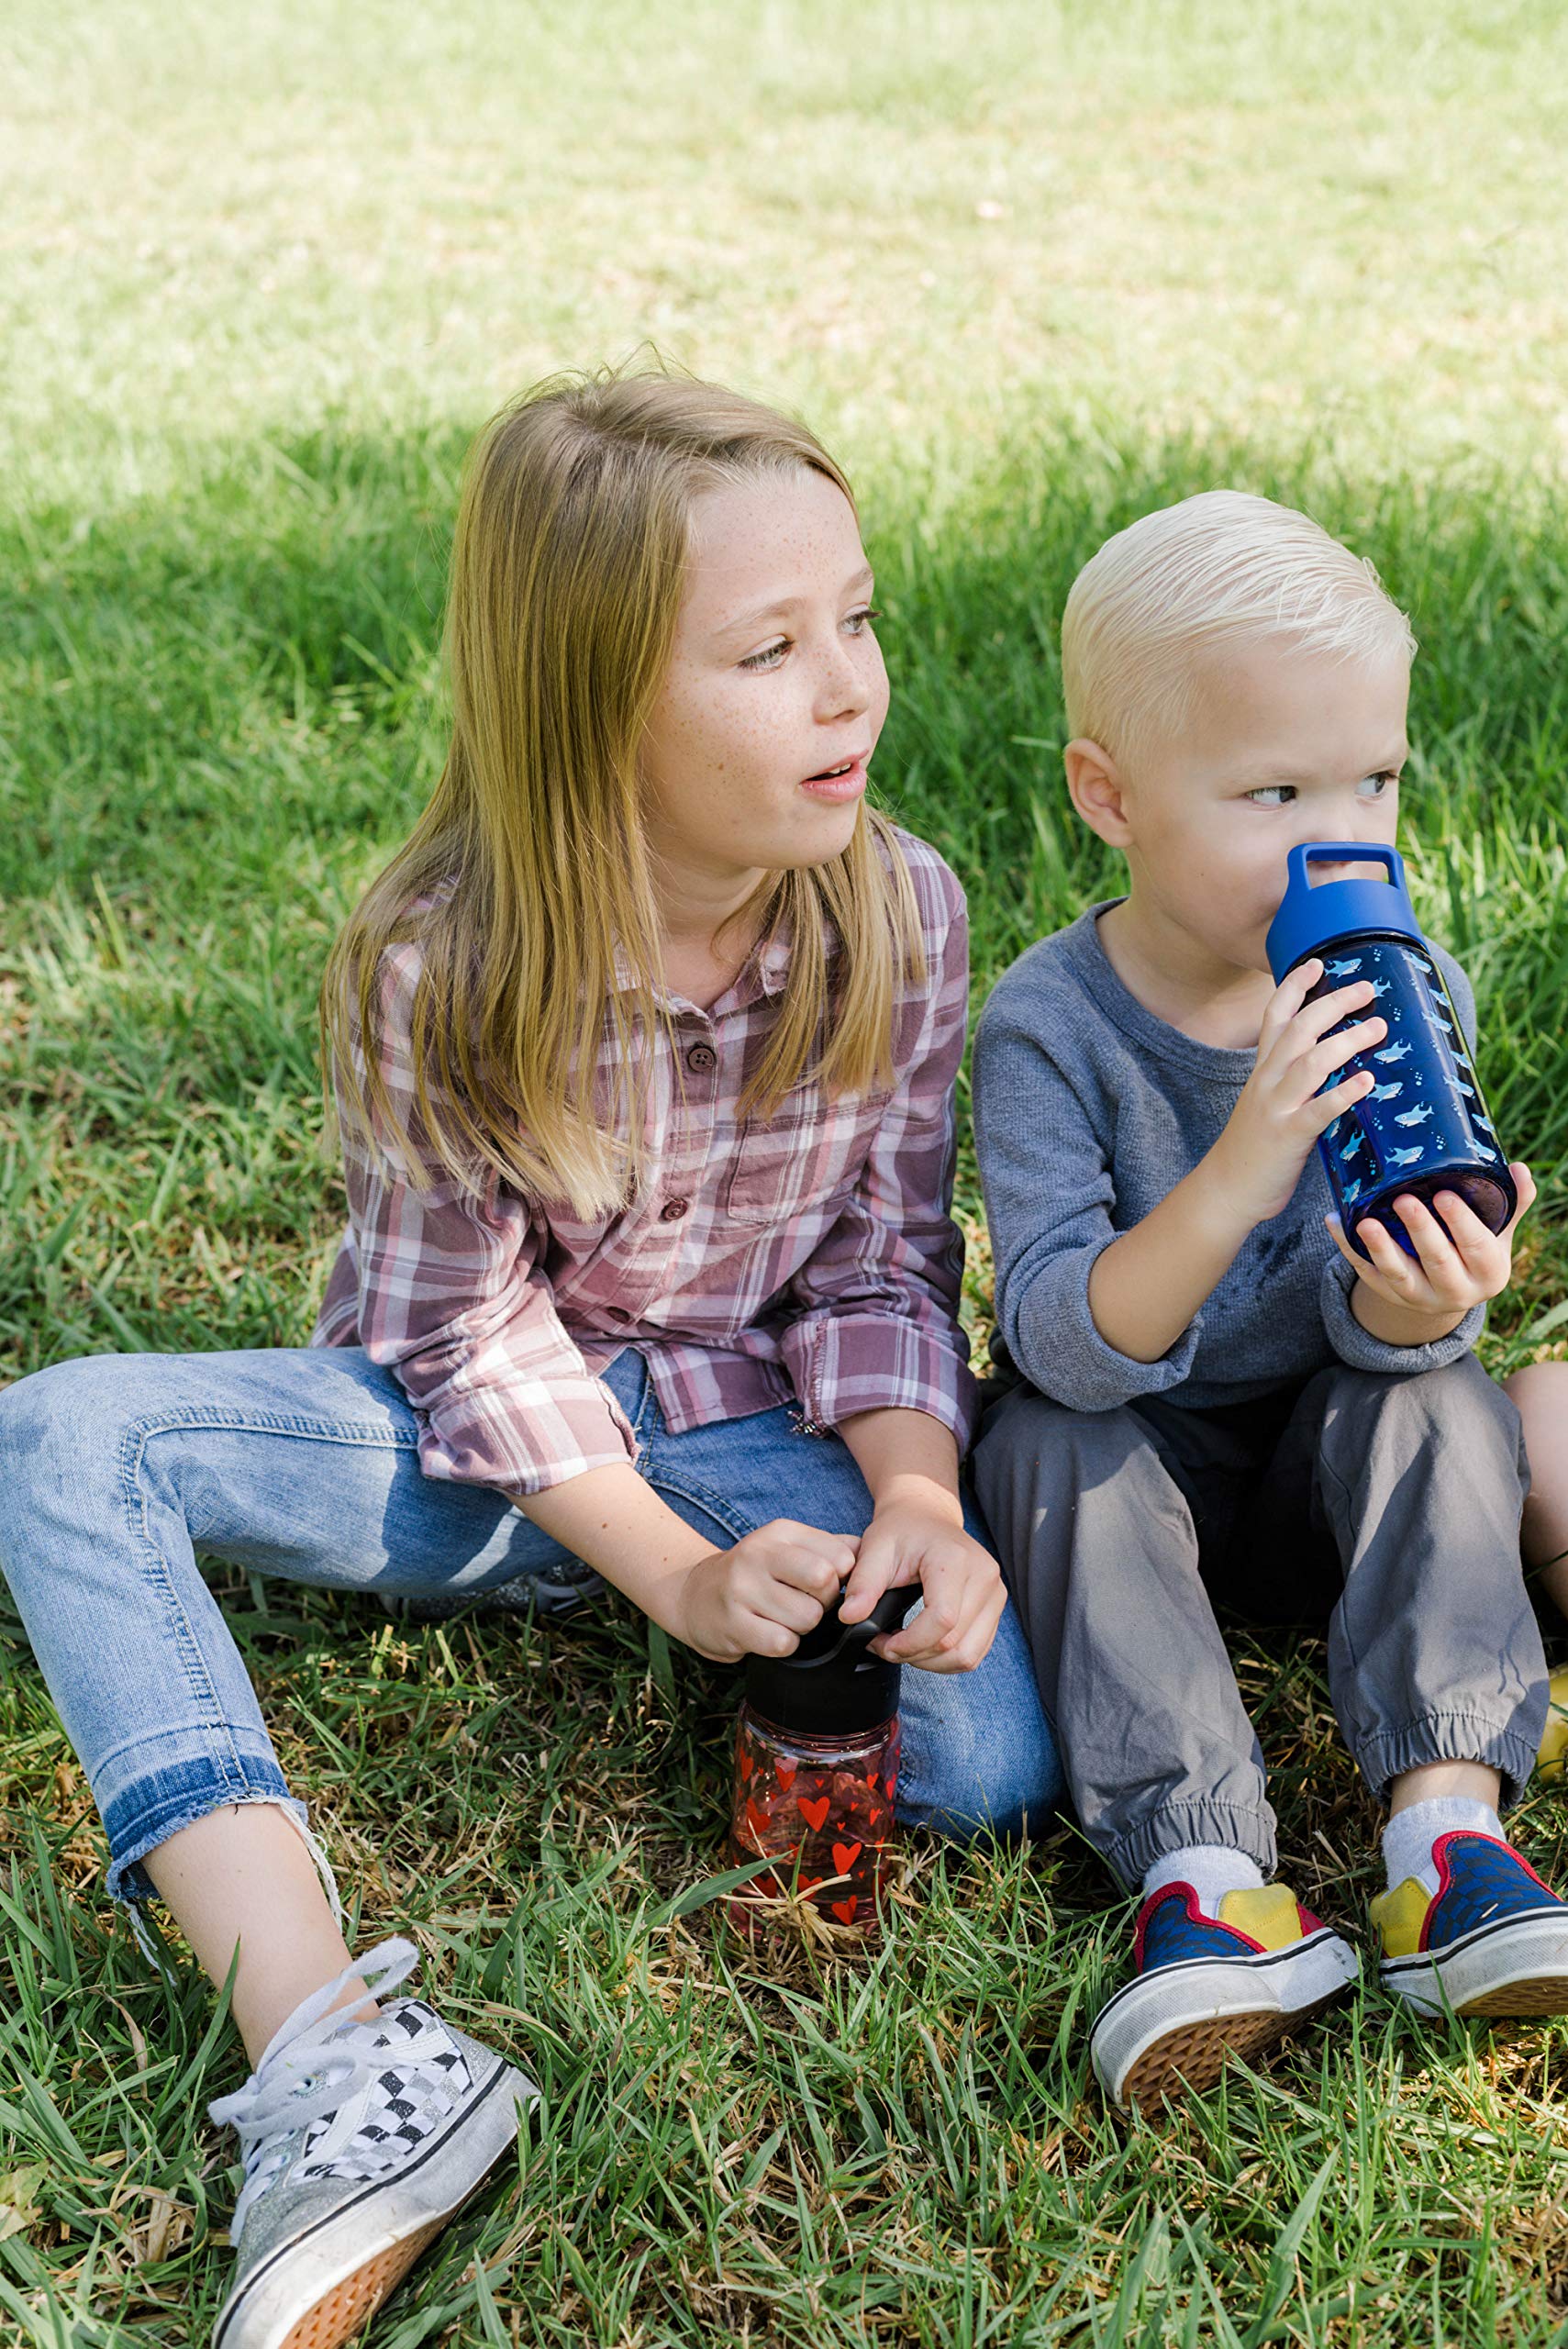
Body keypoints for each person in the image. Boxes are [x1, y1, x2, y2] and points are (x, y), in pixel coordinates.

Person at [0, 366, 1058, 2347]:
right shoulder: (443, 962)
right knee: (59, 1440)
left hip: (754, 1422)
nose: (852, 687)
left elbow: (886, 1266)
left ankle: (703, 1586)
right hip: (469, 1449)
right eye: (769, 649)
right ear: (599, 706)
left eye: (860, 617)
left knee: (984, 1758)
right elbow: (458, 1334)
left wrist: (913, 1492)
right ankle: (332, 2050)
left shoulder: (900, 907)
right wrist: (665, 1570)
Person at [969, 488, 1568, 2114]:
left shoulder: (1400, 976)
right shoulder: (1049, 1024)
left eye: (1371, 778)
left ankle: (1444, 1843)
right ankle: (1210, 1883)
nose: (1340, 838)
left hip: (1321, 1479)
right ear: (1111, 795)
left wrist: (1426, 1285)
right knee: (1035, 1441)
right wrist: (1243, 1158)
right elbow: (1066, 1349)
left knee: (1439, 1398)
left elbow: (1401, 1336)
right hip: (1131, 1485)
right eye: (1272, 791)